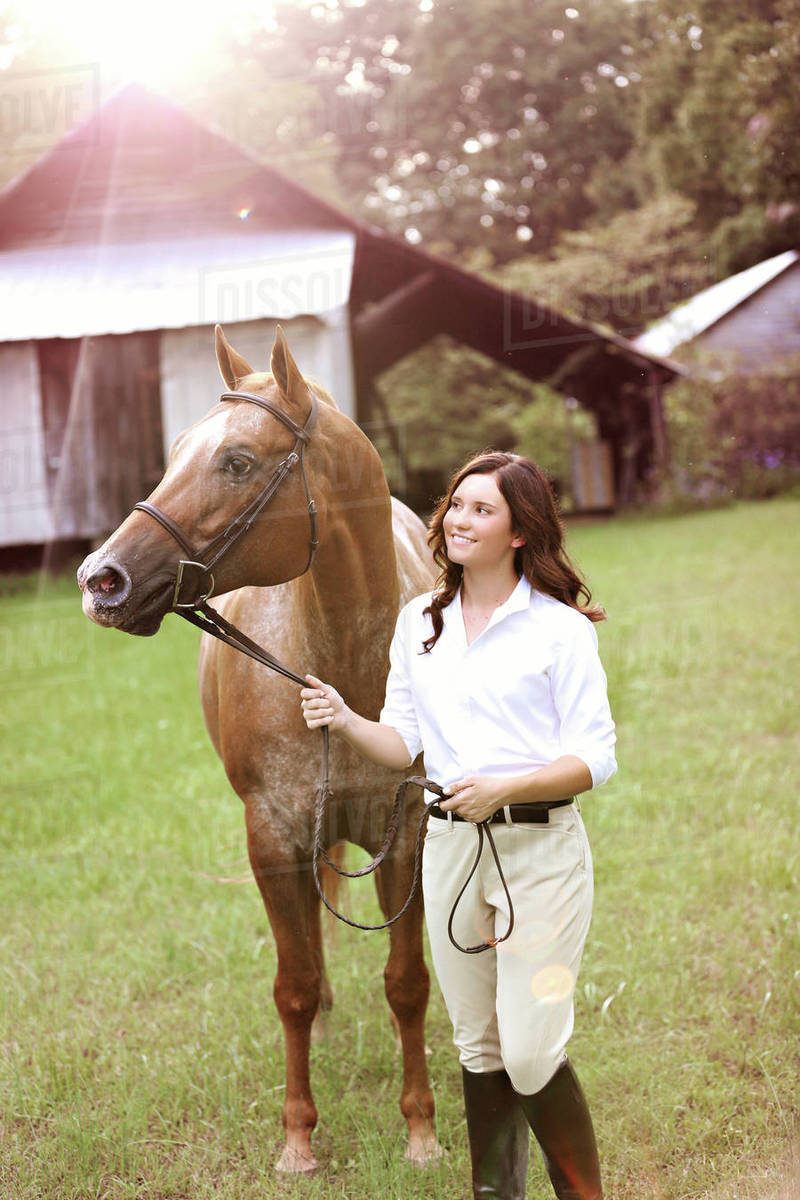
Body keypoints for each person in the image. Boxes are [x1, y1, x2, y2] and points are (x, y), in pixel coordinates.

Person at [301, 451, 616, 1200]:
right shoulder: (419, 624)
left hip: (540, 853)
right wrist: (345, 720)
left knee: (532, 1049)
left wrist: (509, 785)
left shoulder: (558, 631)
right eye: (456, 505)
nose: (459, 520)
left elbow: (596, 757)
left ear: (518, 530)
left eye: (483, 509)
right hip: (448, 852)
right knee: (478, 1047)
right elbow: (401, 742)